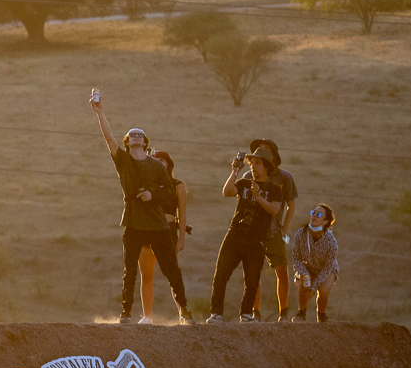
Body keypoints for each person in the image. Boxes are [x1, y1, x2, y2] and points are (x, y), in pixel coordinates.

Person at [89, 90, 189, 325]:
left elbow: (167, 191)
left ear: (145, 142)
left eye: (139, 135)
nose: (135, 136)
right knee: (130, 272)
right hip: (132, 221)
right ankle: (126, 314)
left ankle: (185, 312)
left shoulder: (157, 165)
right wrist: (100, 112)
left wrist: (151, 195)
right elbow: (109, 138)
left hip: (157, 224)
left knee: (171, 270)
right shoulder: (123, 162)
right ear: (127, 142)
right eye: (131, 135)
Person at [207, 147, 284, 323]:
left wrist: (258, 197)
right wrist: (235, 171)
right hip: (235, 233)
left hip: (256, 239)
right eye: (252, 163)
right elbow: (227, 192)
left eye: (258, 163)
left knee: (252, 279)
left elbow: (274, 209)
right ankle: (216, 313)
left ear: (266, 166)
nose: (253, 167)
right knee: (221, 275)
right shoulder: (243, 182)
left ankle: (246, 314)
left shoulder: (273, 189)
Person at [248, 139, 300, 321]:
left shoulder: (284, 178)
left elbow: (291, 206)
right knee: (254, 273)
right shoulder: (249, 175)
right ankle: (255, 313)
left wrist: (283, 230)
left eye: (265, 150)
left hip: (274, 231)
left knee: (282, 272)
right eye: (257, 151)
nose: (260, 154)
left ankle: (283, 313)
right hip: (254, 232)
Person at [139, 148, 192, 322]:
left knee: (173, 273)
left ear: (168, 164)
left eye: (162, 161)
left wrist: (182, 238)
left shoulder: (178, 185)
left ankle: (183, 311)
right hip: (147, 230)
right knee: (146, 275)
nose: (159, 164)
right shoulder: (146, 185)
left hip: (169, 230)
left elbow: (182, 214)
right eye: (155, 161)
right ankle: (147, 317)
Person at [291, 204, 340, 322]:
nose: (314, 216)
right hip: (308, 267)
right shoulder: (301, 234)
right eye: (313, 213)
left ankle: (321, 315)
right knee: (304, 281)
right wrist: (304, 274)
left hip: (327, 269)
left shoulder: (331, 242)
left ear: (325, 221)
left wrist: (314, 287)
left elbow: (328, 267)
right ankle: (301, 313)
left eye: (318, 215)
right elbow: (296, 257)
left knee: (323, 290)